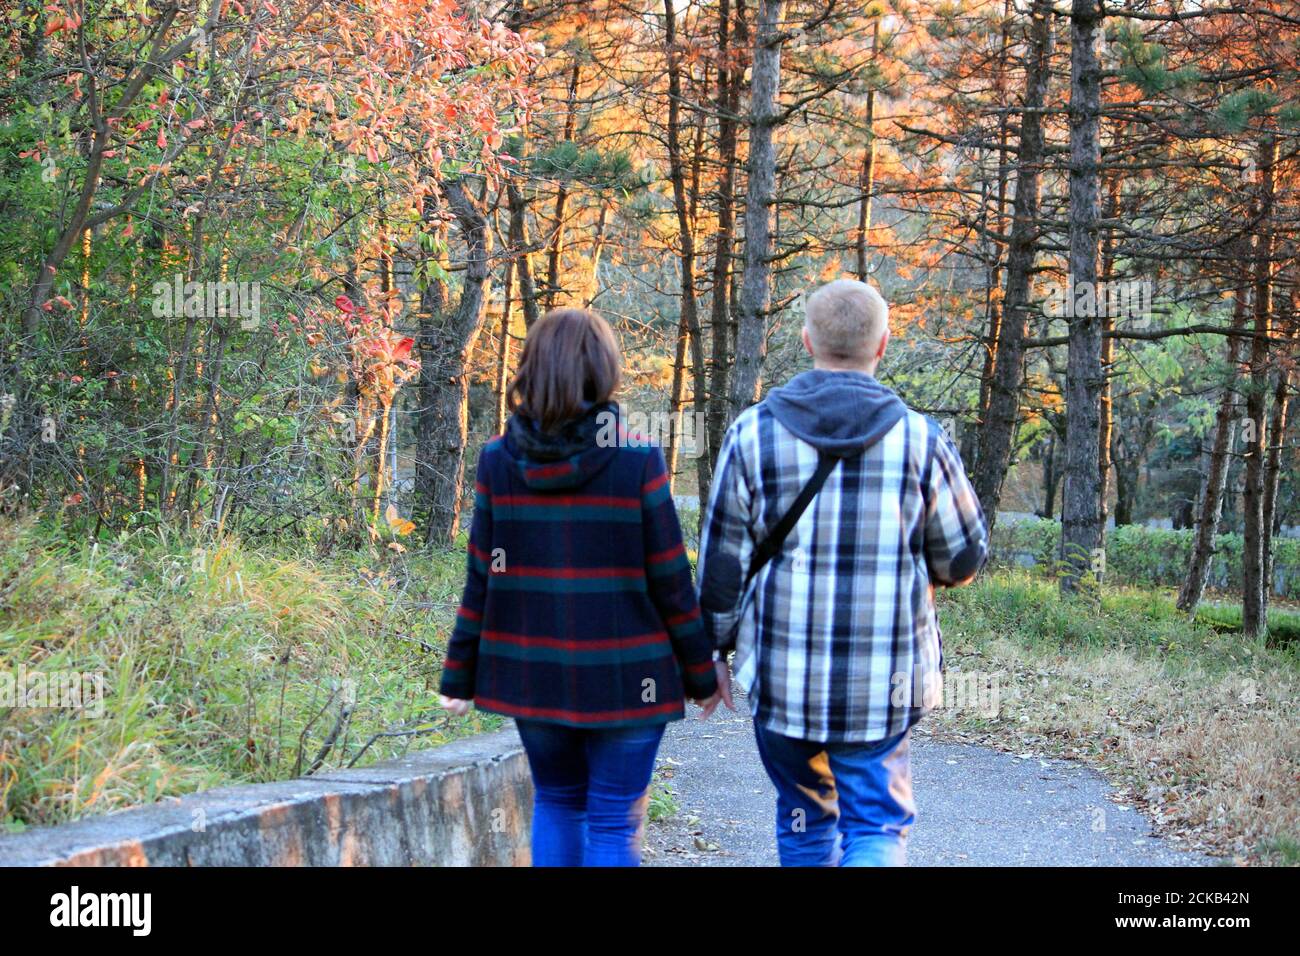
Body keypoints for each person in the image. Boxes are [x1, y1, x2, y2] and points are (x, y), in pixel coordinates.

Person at [697, 278, 987, 866]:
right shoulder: (922, 440)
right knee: (875, 826)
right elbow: (962, 559)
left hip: (782, 682)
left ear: (807, 340)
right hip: (887, 682)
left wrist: (711, 654)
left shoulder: (751, 435)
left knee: (805, 827)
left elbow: (721, 563)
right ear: (882, 346)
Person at [438, 307, 729, 867]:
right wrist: (701, 672)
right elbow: (671, 580)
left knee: (557, 802)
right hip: (630, 678)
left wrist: (459, 674)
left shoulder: (497, 462)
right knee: (614, 820)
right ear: (604, 372)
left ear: (532, 370)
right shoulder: (638, 460)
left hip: (533, 675)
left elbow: (482, 577)